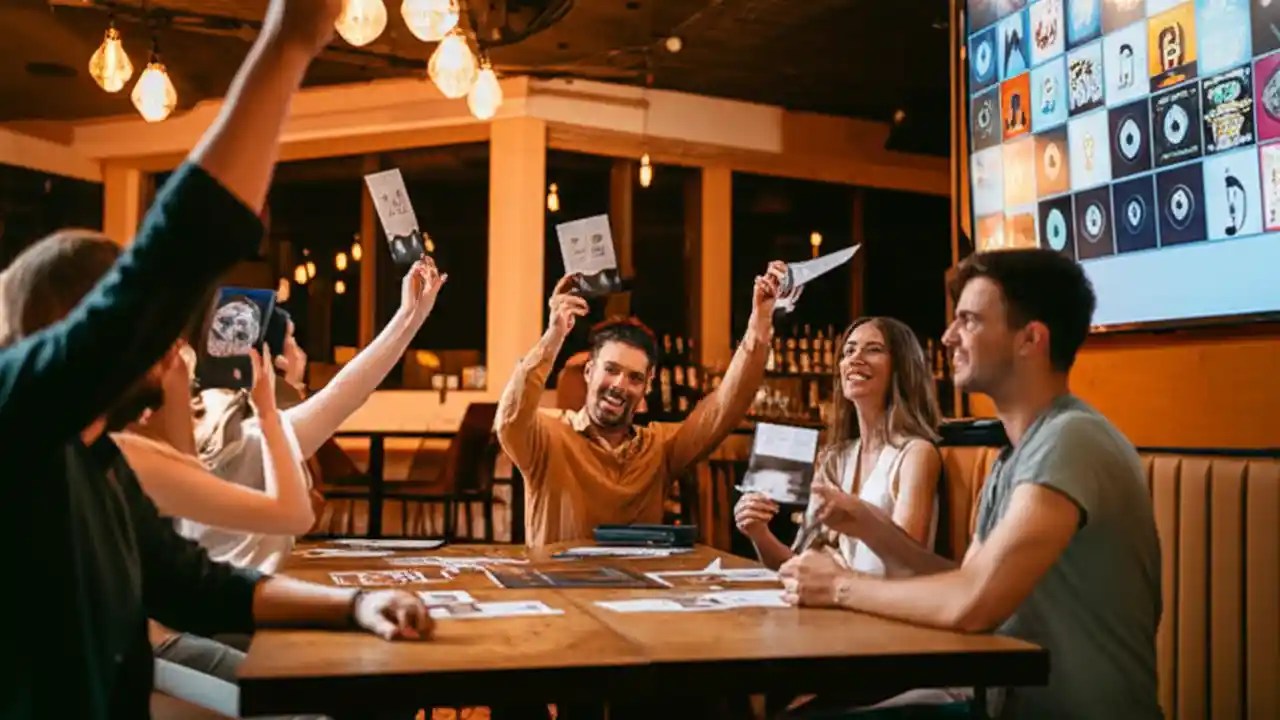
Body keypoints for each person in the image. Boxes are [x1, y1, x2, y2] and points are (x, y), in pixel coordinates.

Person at [0, 3, 433, 717]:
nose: (171, 346)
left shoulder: (100, 464)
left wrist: (355, 603)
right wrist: (289, 42)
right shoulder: (17, 423)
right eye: (150, 336)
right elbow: (165, 262)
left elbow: (200, 585)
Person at [781, 249, 1162, 719]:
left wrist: (839, 586)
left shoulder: (1071, 440)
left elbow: (972, 603)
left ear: (1030, 340)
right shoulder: (1013, 460)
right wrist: (870, 527)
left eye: (969, 321)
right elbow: (962, 582)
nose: (948, 337)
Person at [496, 264, 786, 546]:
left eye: (634, 377)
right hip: (559, 590)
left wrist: (759, 323)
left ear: (647, 386)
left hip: (639, 591)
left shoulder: (659, 447)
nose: (620, 385)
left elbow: (725, 407)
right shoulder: (549, 435)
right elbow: (509, 420)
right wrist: (554, 335)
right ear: (588, 372)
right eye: (610, 370)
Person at [735, 316, 943, 577]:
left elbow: (907, 568)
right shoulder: (834, 458)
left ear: (902, 366)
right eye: (849, 351)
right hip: (839, 610)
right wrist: (758, 533)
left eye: (874, 349)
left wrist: (860, 520)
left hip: (887, 612)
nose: (855, 358)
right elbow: (799, 566)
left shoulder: (915, 454)